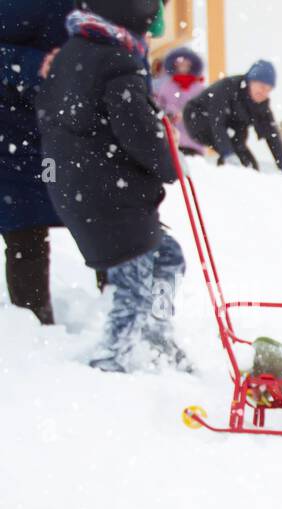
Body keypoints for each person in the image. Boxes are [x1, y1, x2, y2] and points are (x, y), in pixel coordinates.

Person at [38, 0, 190, 373]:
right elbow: (138, 132)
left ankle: (155, 335)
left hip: (81, 189)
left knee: (168, 257)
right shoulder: (117, 61)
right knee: (133, 289)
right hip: (109, 195)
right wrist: (171, 161)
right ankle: (111, 361)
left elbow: (58, 116)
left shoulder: (70, 53)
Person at [0, 0, 74, 327]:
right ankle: (36, 332)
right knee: (24, 228)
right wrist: (34, 63)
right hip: (13, 130)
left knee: (111, 224)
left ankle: (120, 322)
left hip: (78, 127)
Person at [183, 59, 282, 171]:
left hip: (230, 126)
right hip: (198, 118)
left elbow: (272, 135)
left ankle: (235, 169)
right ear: (251, 81)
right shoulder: (227, 87)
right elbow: (217, 123)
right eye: (261, 87)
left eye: (268, 90)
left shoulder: (261, 105)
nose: (264, 93)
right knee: (232, 158)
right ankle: (225, 172)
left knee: (249, 166)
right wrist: (228, 155)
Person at [153, 45, 206, 155]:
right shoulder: (168, 85)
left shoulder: (199, 87)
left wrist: (188, 114)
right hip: (173, 137)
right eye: (180, 63)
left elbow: (204, 108)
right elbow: (159, 105)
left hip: (193, 139)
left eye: (186, 63)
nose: (183, 66)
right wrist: (170, 113)